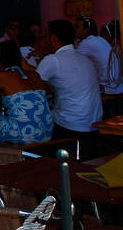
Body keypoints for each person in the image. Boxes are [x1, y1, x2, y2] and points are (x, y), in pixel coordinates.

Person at [38, 19, 103, 150]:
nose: (43, 40)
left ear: (54, 38)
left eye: (46, 36)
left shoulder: (52, 60)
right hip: (94, 123)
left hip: (71, 126)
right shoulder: (83, 59)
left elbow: (31, 85)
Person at [74, 16, 115, 92]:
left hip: (107, 86)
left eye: (77, 27)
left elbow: (72, 62)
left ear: (86, 30)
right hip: (114, 84)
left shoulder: (86, 43)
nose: (74, 29)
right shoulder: (98, 39)